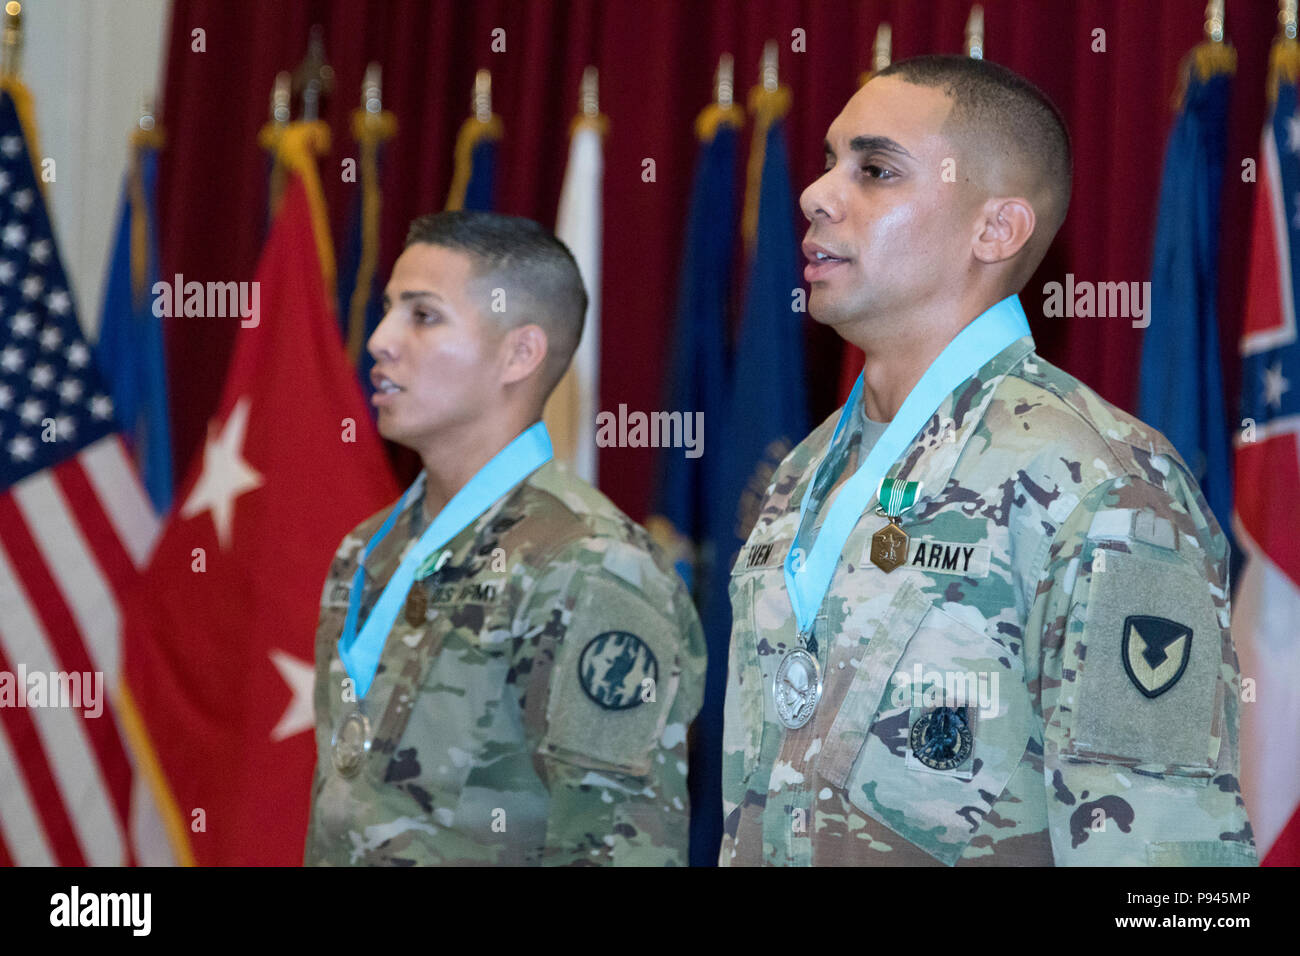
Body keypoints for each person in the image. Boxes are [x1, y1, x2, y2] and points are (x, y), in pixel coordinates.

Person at [720, 55, 1256, 866]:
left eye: (873, 170)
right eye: (829, 161)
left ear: (995, 230)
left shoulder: (1105, 484)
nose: (816, 193)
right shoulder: (802, 471)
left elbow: (1164, 869)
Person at [305, 211, 706, 866]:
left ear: (520, 353)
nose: (379, 340)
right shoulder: (367, 549)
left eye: (423, 316)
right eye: (386, 311)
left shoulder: (593, 565)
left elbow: (615, 848)